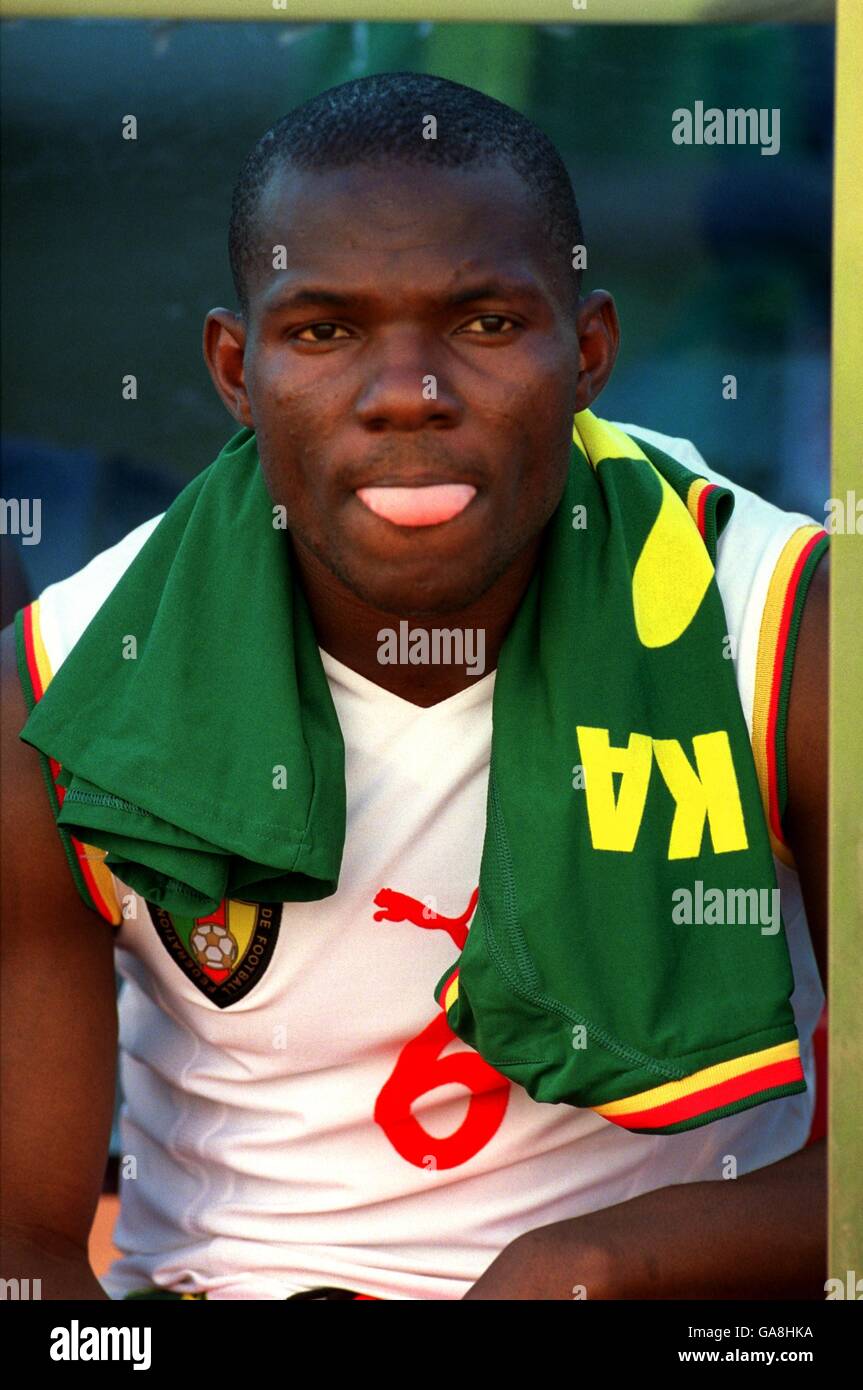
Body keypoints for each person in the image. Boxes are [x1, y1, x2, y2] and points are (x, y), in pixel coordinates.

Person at [0, 72, 827, 1302]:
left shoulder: (776, 622)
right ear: (237, 368)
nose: (407, 394)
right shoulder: (67, 686)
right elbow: (22, 1248)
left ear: (589, 350)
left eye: (484, 324)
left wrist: (591, 1267)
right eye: (325, 331)